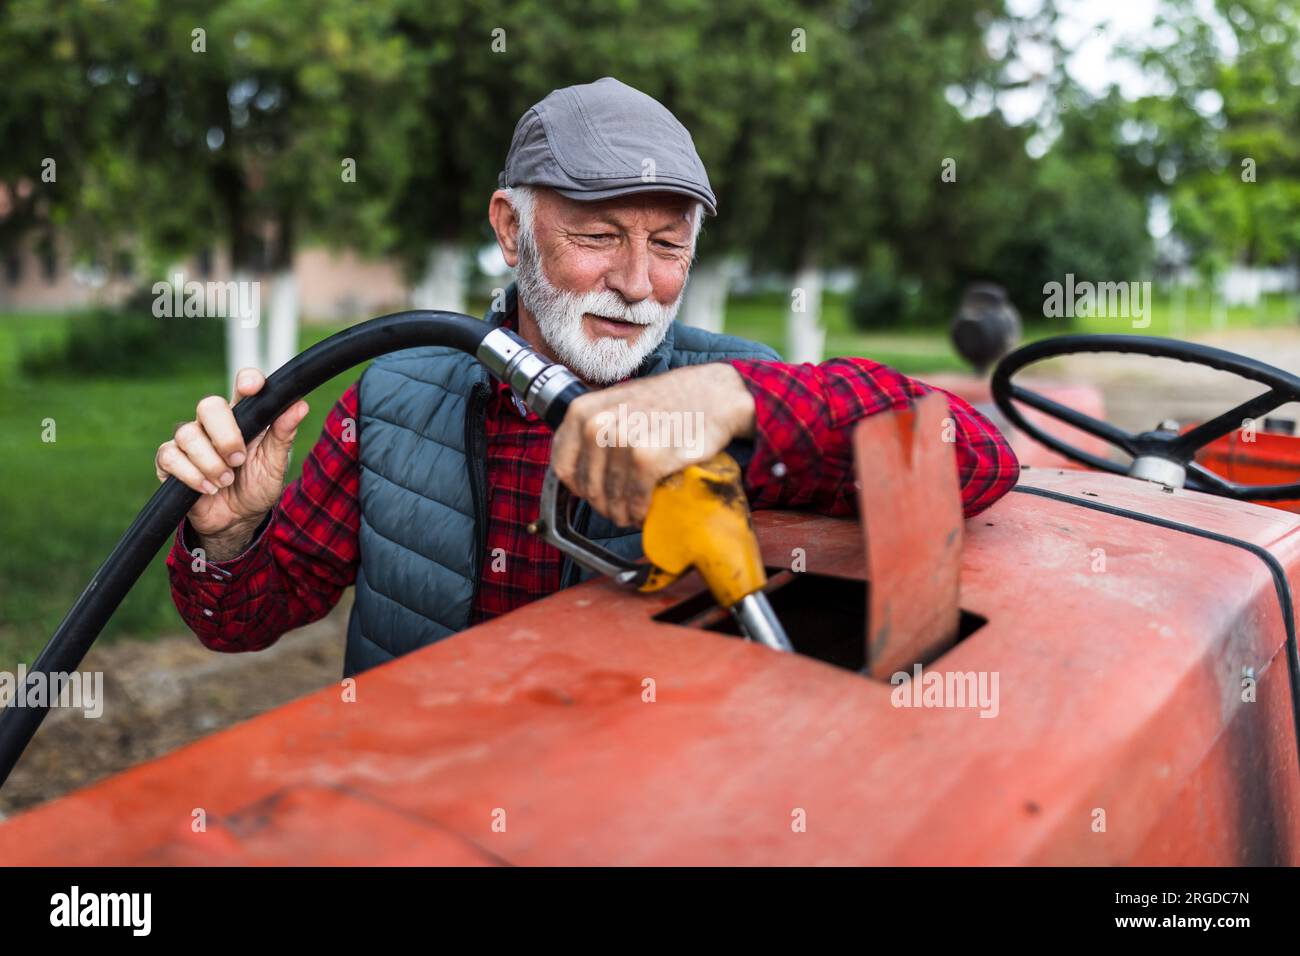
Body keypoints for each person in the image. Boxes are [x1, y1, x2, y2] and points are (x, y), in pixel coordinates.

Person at [157, 77, 1020, 675]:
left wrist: (737, 401)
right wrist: (229, 534)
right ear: (511, 228)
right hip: (425, 814)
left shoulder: (740, 399)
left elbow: (974, 458)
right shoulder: (391, 397)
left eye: (670, 244)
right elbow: (240, 624)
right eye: (600, 237)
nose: (640, 284)